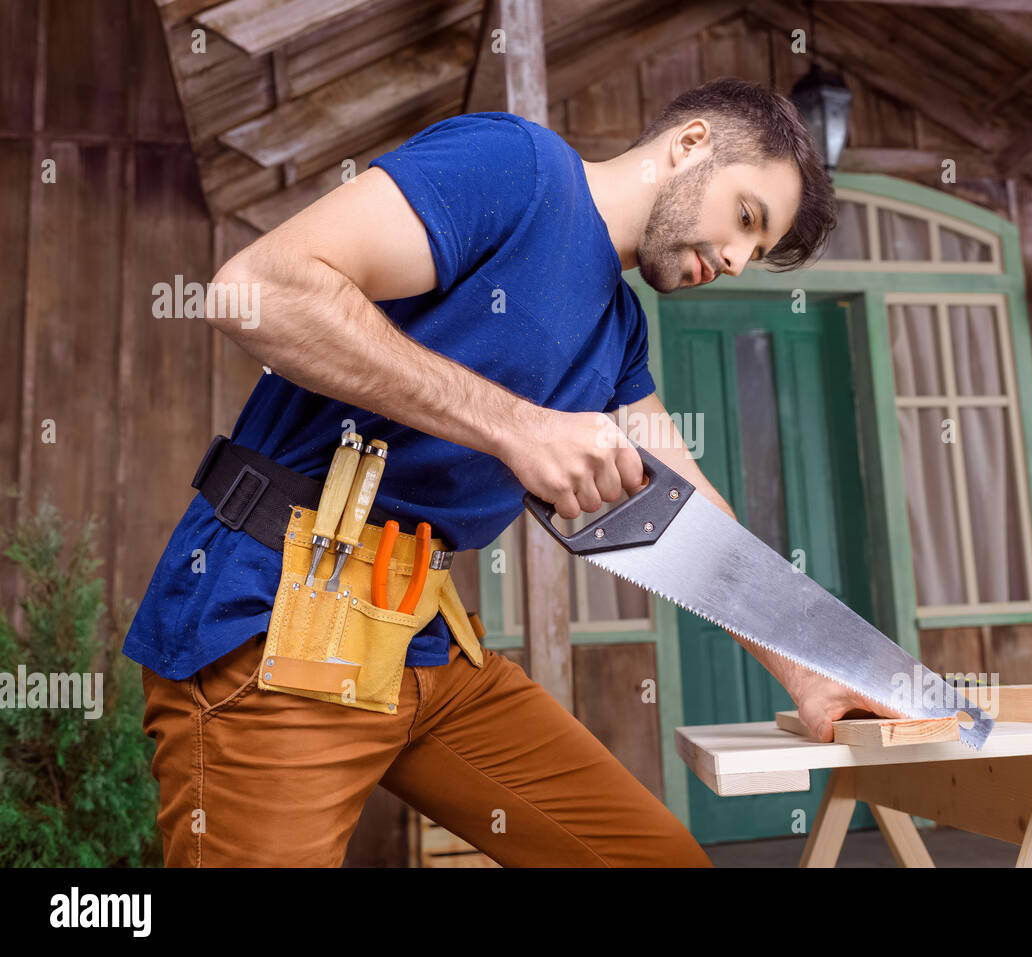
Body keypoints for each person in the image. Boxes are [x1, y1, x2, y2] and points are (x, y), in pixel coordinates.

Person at [125, 77, 865, 867]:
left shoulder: (619, 333)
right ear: (689, 145)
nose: (737, 259)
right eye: (747, 218)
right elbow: (256, 292)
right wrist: (518, 427)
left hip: (423, 642)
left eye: (757, 251)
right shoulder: (518, 168)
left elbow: (688, 515)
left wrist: (816, 673)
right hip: (279, 621)